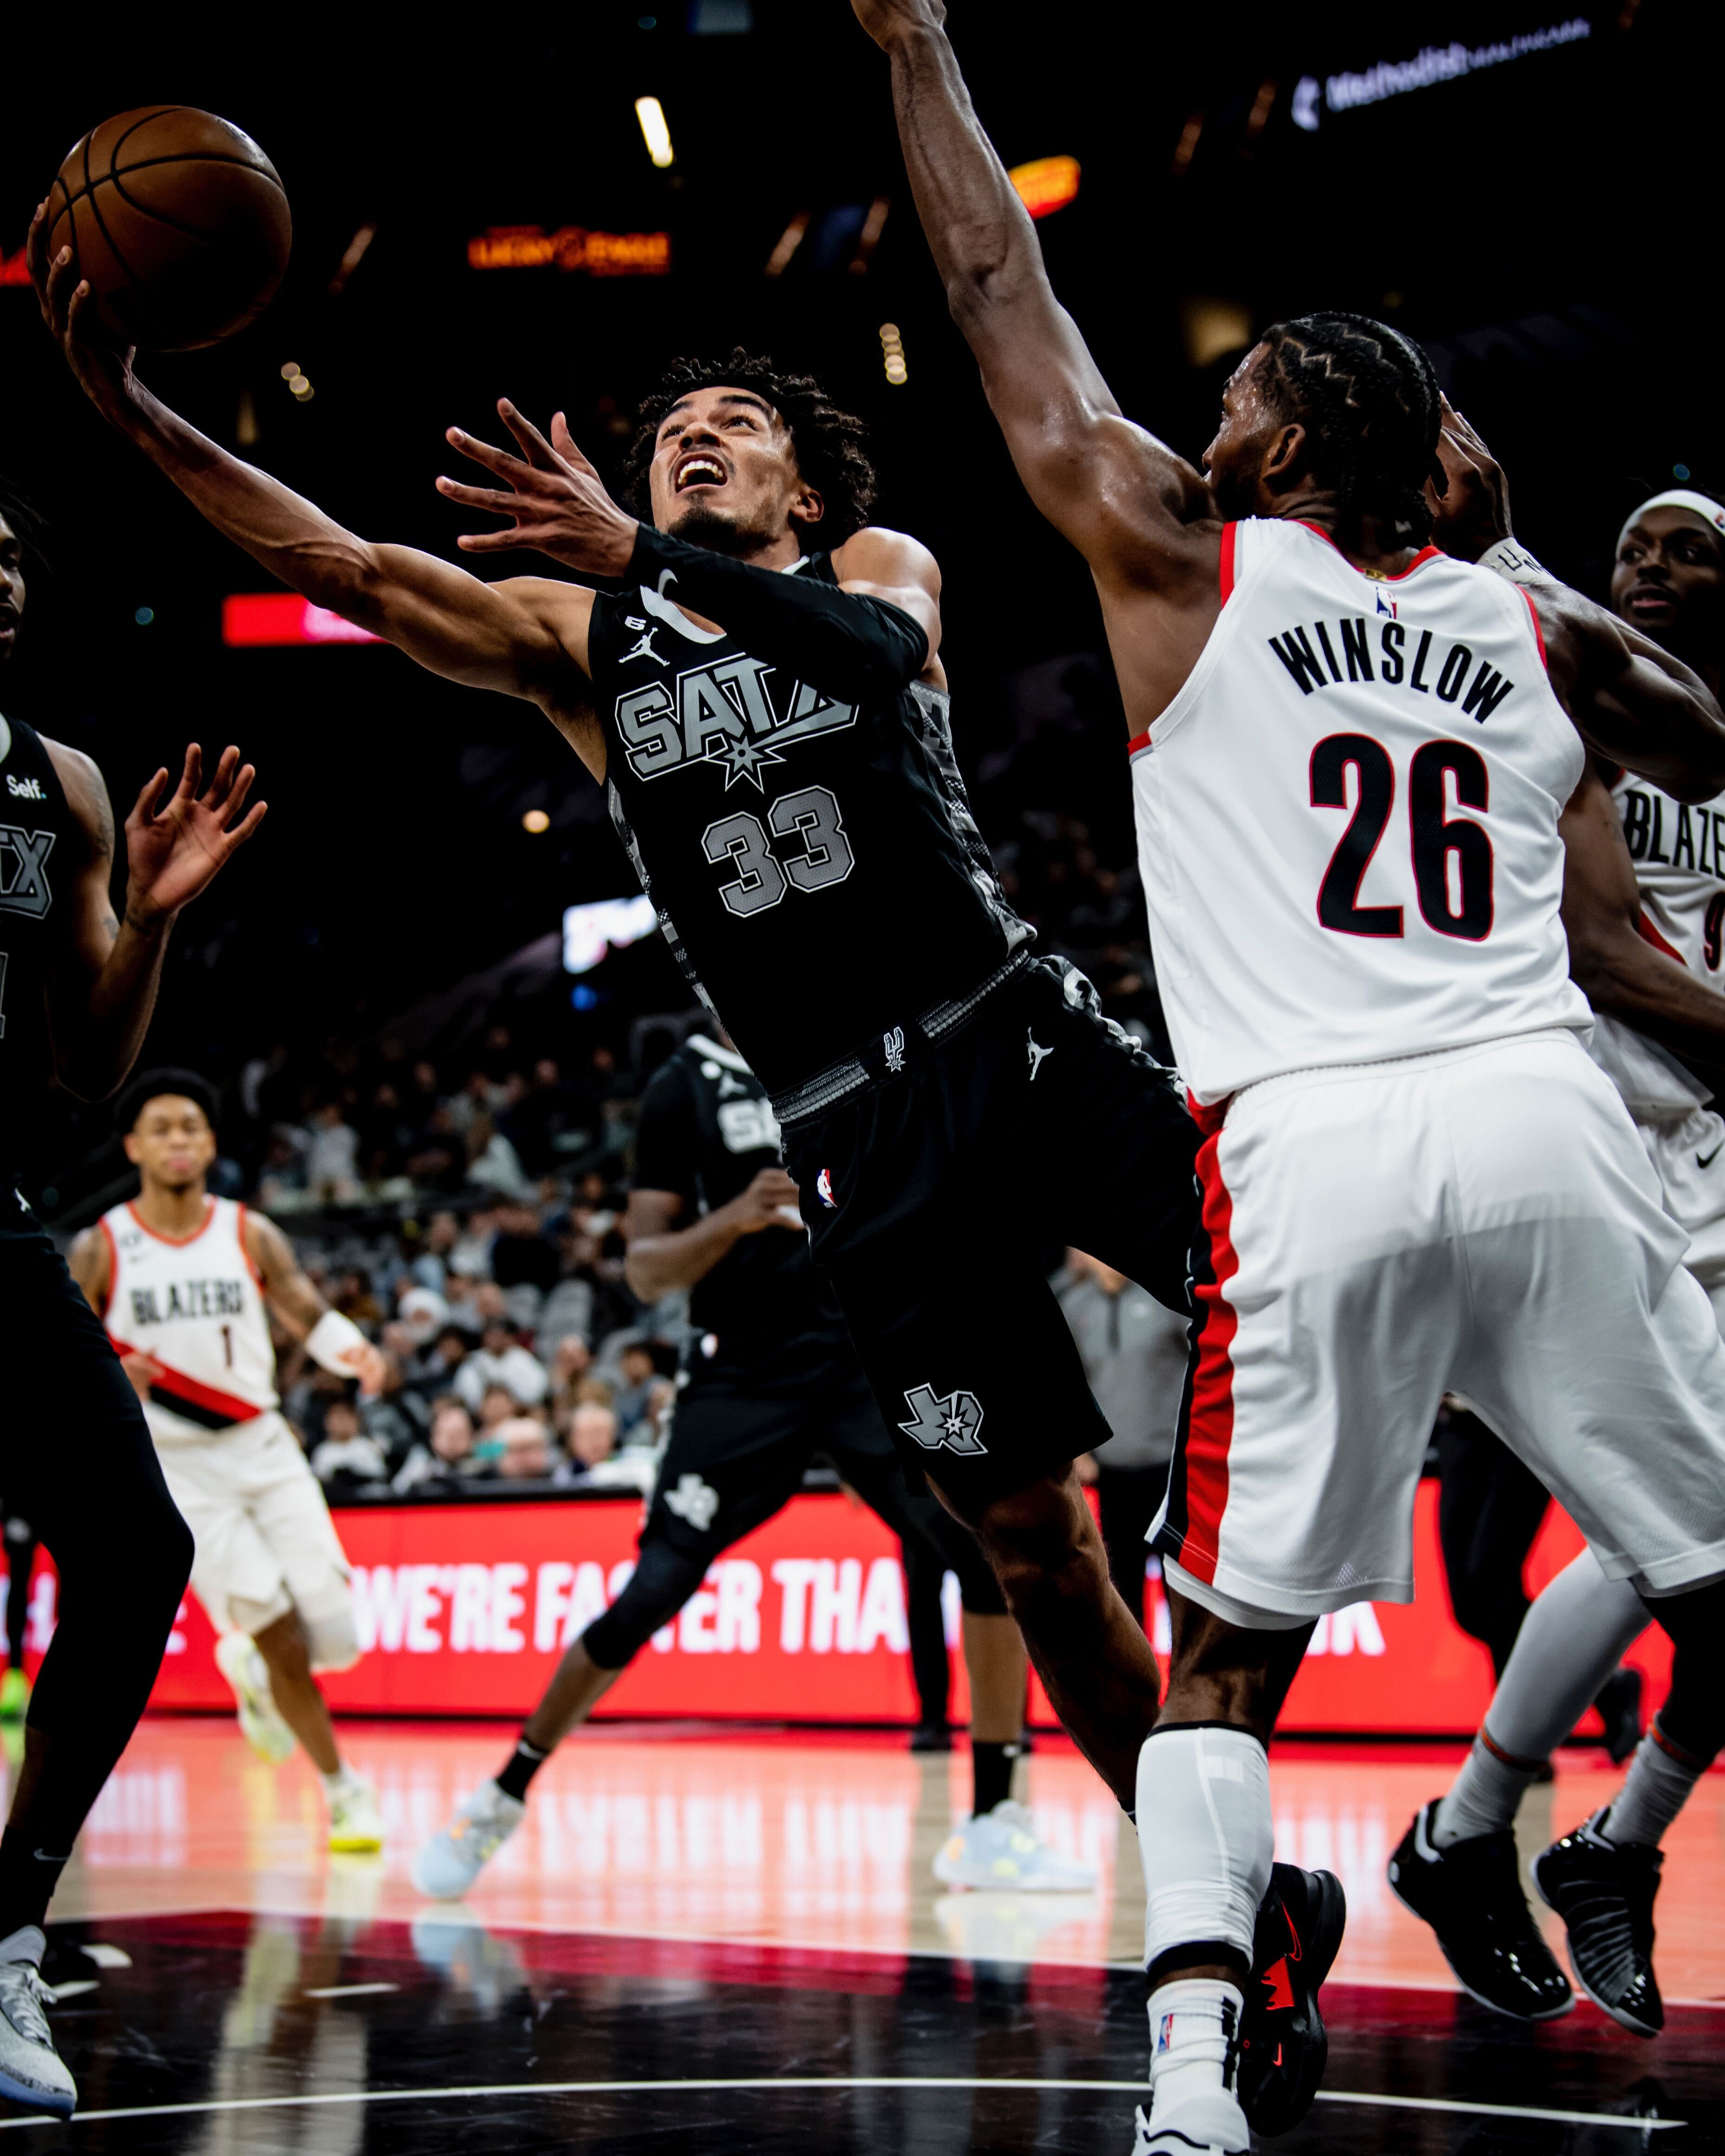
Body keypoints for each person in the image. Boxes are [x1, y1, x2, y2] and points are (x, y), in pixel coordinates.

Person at [35, 229, 1205, 1916]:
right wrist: (143, 419)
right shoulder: (591, 641)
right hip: (855, 1133)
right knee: (1034, 1540)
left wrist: (639, 556)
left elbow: (871, 657)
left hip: (1010, 1033)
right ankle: (1209, 1890)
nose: (698, 438)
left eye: (737, 421)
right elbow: (351, 567)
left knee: (1288, 1280)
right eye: (674, 433)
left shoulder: (875, 560)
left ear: (801, 479)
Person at [857, 10, 1725, 2149]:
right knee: (1712, 1560)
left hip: (1305, 1143)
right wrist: (1501, 546)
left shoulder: (1180, 556)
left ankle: (1185, 2080)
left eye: (1232, 396)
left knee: (1228, 1652)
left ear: (1273, 446)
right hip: (1549, 1119)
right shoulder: (1534, 629)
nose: (1202, 414)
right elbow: (1702, 726)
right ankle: (1524, 1814)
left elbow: (995, 294)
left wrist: (915, 44)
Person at [414, 1026, 1092, 1898]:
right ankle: (501, 1796)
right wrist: (732, 1219)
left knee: (985, 1550)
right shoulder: (681, 1085)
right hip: (741, 1374)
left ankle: (996, 1823)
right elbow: (647, 1270)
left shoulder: (856, 1048)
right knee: (652, 1590)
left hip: (860, 1361)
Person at [1395, 484, 1725, 2038]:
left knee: (1670, 1536)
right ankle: (1550, 1835)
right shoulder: (1555, 681)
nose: (1648, 567)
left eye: (1687, 553)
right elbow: (1603, 950)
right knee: (1666, 1534)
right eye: (1634, 547)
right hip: (1610, 1132)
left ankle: (1515, 1836)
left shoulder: (1704, 741)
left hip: (1706, 1137)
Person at [0, 488, 263, 2119]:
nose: (1, 572)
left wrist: (152, 920)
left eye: (15, 550)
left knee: (137, 1549)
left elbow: (92, 1074)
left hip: (0, 1207)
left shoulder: (65, 785)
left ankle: (10, 1933)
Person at [68, 1071, 389, 1860]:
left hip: (265, 1444)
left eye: (192, 1127)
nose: (179, 1140)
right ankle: (344, 1790)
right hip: (179, 1467)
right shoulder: (100, 1245)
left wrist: (352, 1350)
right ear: (134, 1145)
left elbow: (303, 1306)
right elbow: (63, 1357)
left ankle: (248, 1663)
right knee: (279, 1630)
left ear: (211, 1143)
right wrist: (110, 1372)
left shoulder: (248, 1231)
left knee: (337, 1637)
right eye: (163, 1128)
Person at [1057, 1252, 1189, 1632]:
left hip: (1170, 1473)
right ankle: (1139, 1691)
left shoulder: (1166, 1299)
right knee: (1123, 1600)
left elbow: (1207, 1361)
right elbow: (1068, 1385)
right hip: (1113, 1475)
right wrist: (1079, 1450)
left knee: (1181, 1593)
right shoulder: (1075, 1307)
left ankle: (1187, 1690)